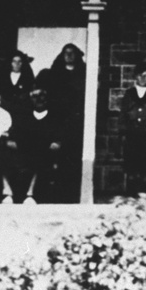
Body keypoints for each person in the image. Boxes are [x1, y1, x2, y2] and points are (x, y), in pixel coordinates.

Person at [3, 71, 62, 204]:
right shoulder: (25, 117)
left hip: (43, 153)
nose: (39, 99)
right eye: (34, 96)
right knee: (8, 156)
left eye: (42, 95)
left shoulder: (53, 118)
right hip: (25, 151)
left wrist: (53, 143)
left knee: (40, 160)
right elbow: (15, 137)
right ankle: (8, 193)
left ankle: (31, 194)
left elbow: (56, 140)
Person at [47, 43, 86, 201]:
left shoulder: (82, 72)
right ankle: (58, 193)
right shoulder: (56, 73)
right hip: (60, 119)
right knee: (59, 156)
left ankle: (73, 193)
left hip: (76, 120)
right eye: (66, 53)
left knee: (74, 156)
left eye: (72, 53)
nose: (69, 56)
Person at [120, 60, 146, 199]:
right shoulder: (129, 93)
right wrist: (123, 132)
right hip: (131, 135)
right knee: (131, 165)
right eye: (140, 76)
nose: (143, 79)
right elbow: (123, 114)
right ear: (135, 77)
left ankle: (144, 193)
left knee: (145, 165)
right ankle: (131, 194)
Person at [0, 50, 35, 118]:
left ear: (22, 63)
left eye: (19, 61)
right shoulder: (3, 77)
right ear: (10, 62)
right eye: (14, 61)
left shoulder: (27, 77)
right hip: (5, 111)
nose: (17, 64)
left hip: (21, 112)